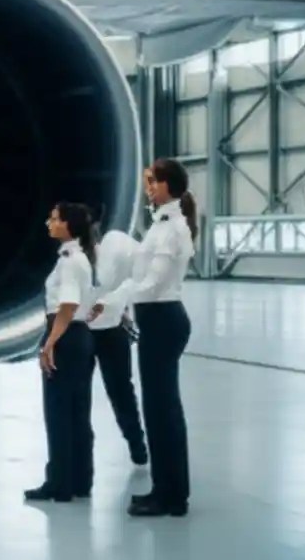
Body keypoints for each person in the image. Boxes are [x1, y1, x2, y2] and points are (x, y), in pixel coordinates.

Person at [90, 158, 197, 517]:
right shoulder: (163, 224)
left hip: (163, 318)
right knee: (158, 409)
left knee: (163, 410)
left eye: (153, 181)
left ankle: (172, 496)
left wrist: (114, 299)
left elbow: (151, 282)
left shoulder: (171, 228)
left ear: (169, 184)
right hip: (156, 319)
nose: (148, 187)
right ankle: (166, 489)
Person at [25, 202, 97, 503]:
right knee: (78, 412)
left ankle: (59, 484)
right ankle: (80, 480)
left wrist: (50, 343)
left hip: (64, 333)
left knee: (58, 413)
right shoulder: (80, 258)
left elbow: (67, 306)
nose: (49, 223)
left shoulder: (68, 261)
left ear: (68, 225)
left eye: (54, 219)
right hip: (80, 337)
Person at [88, 205, 148, 466]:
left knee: (120, 391)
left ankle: (137, 444)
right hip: (91, 333)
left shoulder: (114, 245)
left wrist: (120, 303)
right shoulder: (74, 257)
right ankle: (136, 444)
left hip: (107, 332)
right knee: (118, 391)